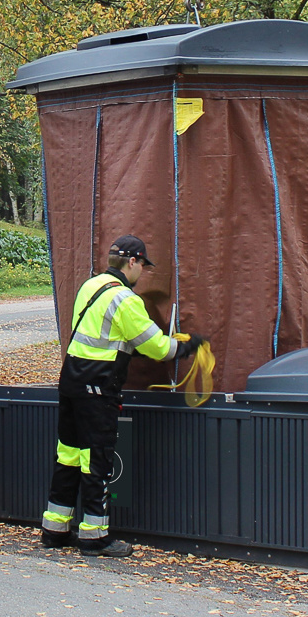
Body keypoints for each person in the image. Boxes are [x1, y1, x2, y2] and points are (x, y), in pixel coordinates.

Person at [41, 235, 205, 559]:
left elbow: (104, 336)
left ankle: (54, 530)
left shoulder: (90, 286)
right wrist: (187, 347)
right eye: (142, 265)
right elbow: (157, 347)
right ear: (132, 262)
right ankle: (94, 538)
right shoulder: (125, 300)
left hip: (71, 380)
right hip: (98, 388)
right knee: (97, 461)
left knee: (68, 456)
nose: (142, 271)